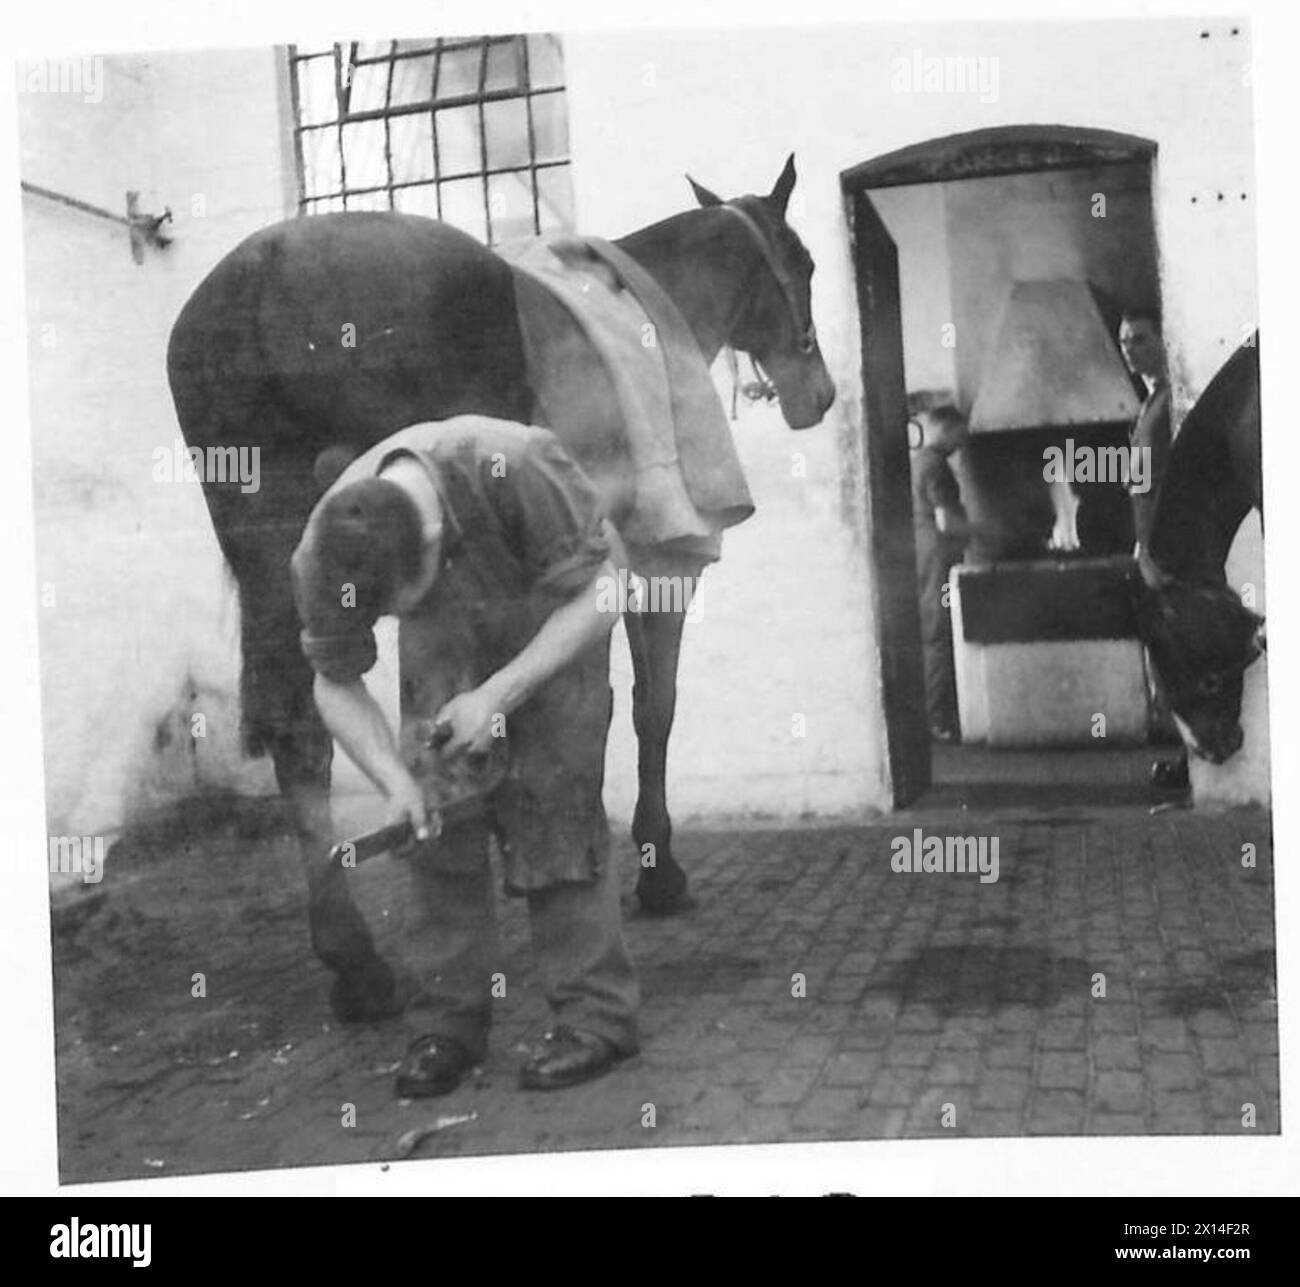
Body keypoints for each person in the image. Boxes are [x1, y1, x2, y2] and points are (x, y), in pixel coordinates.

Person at [290, 416, 640, 1097]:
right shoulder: (321, 550)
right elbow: (333, 678)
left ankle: (597, 1019)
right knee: (435, 823)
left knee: (555, 803)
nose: (387, 622)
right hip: (446, 644)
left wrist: (502, 692)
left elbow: (605, 591)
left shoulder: (518, 461)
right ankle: (447, 1027)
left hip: (556, 610)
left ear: (430, 541)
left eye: (398, 605)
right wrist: (392, 779)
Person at [1117, 308, 1185, 789]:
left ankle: (1189, 756)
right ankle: (1183, 751)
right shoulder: (1150, 400)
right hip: (1149, 542)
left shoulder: (1172, 399)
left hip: (1167, 542)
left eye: (1140, 339)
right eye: (1124, 342)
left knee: (1180, 649)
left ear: (1163, 339)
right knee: (1166, 649)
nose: (1130, 349)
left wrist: (1155, 548)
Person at [910, 404, 975, 743]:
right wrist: (981, 530)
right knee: (938, 636)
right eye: (959, 433)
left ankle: (936, 716)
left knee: (932, 633)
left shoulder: (920, 462)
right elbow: (946, 521)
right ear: (945, 428)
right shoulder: (936, 466)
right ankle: (938, 721)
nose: (962, 441)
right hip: (938, 557)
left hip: (924, 556)